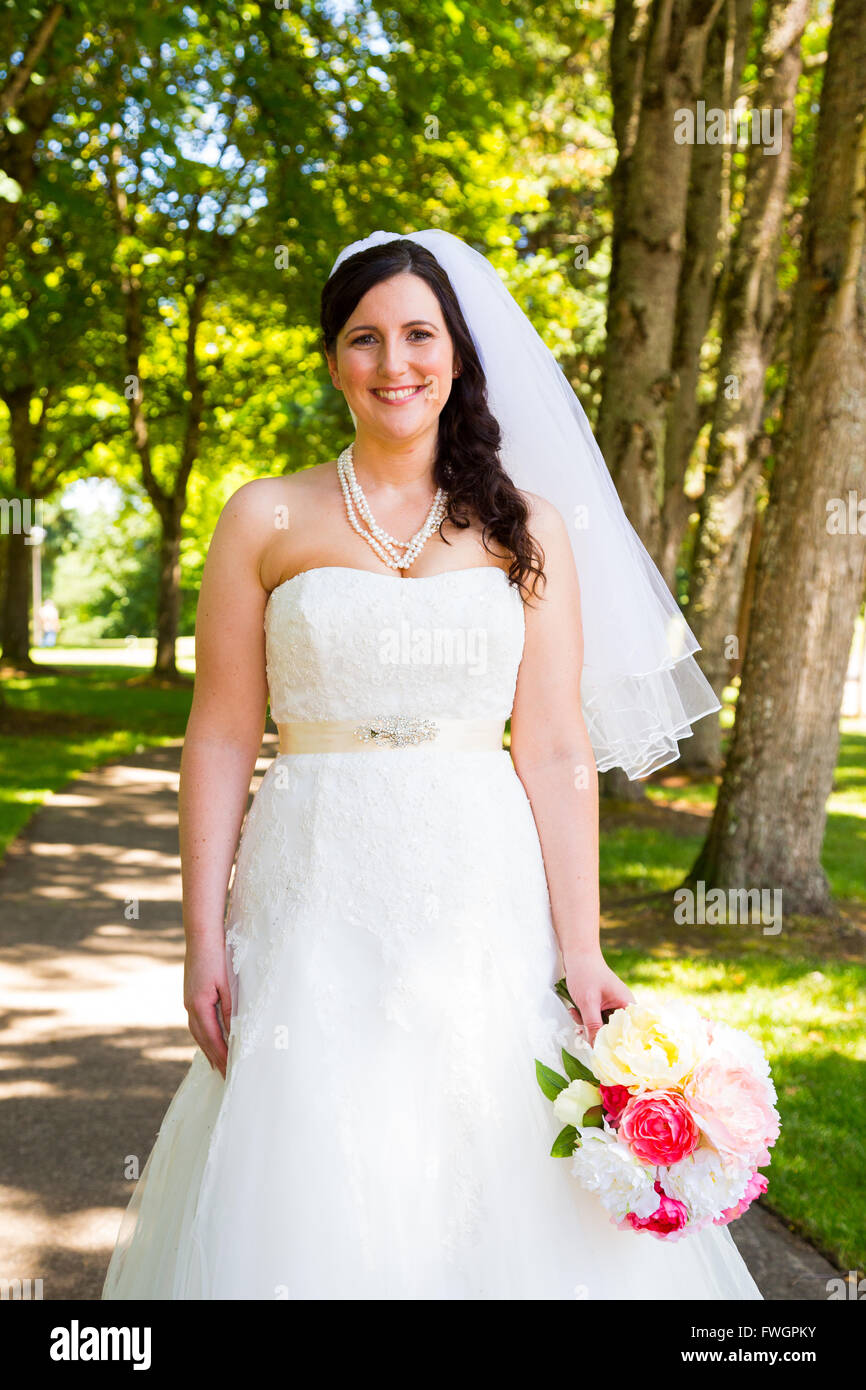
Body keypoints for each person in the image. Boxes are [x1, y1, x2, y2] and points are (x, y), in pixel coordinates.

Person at [102, 230, 761, 1299]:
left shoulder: (526, 526)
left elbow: (549, 746)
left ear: (455, 354)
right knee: (307, 1135)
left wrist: (582, 947)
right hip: (310, 871)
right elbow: (221, 732)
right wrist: (201, 935)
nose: (393, 362)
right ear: (331, 360)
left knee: (487, 1127)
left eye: (418, 334)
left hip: (476, 873)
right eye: (363, 338)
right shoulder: (263, 513)